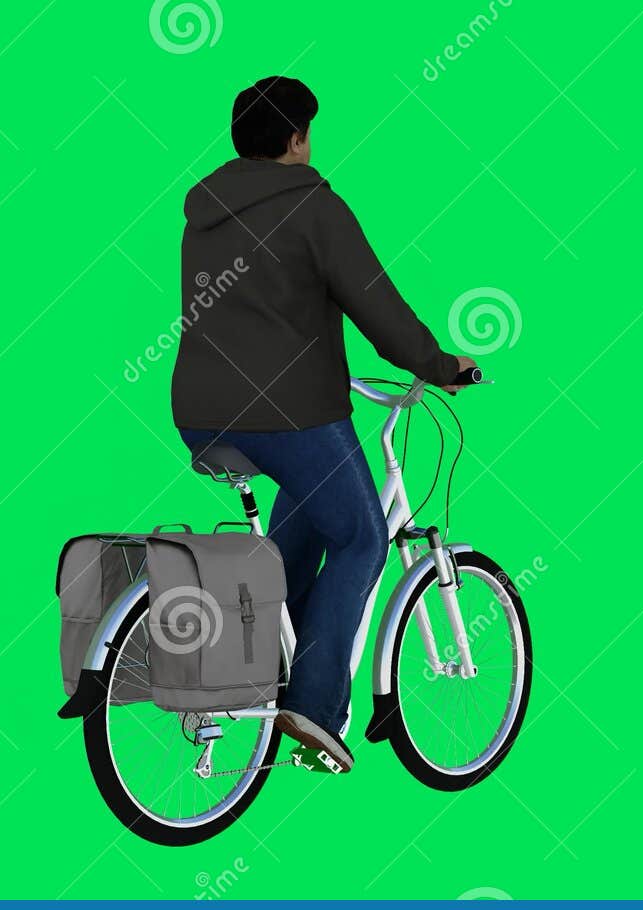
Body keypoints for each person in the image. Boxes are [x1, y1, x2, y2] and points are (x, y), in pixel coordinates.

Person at [171, 76, 474, 774]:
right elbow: (377, 309)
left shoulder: (204, 213)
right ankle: (313, 707)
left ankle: (268, 671)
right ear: (296, 138)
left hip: (201, 414)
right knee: (362, 536)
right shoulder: (314, 207)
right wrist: (438, 363)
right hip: (289, 414)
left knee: (296, 534)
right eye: (309, 132)